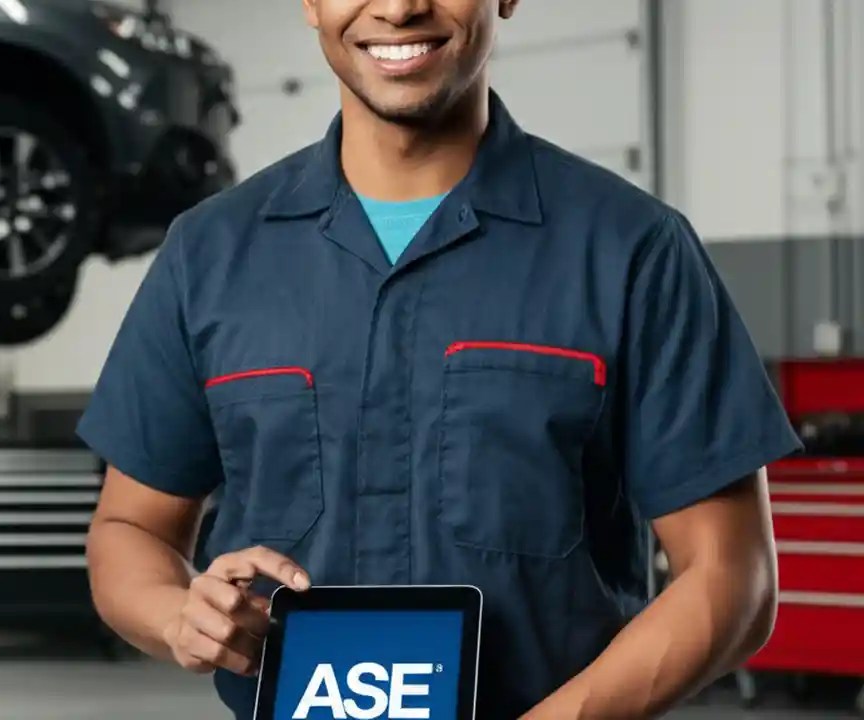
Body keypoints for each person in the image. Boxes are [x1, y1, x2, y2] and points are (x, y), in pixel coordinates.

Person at [78, 0, 803, 717]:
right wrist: (176, 612)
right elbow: (129, 531)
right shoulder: (208, 256)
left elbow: (732, 577)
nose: (399, 8)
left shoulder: (631, 251)